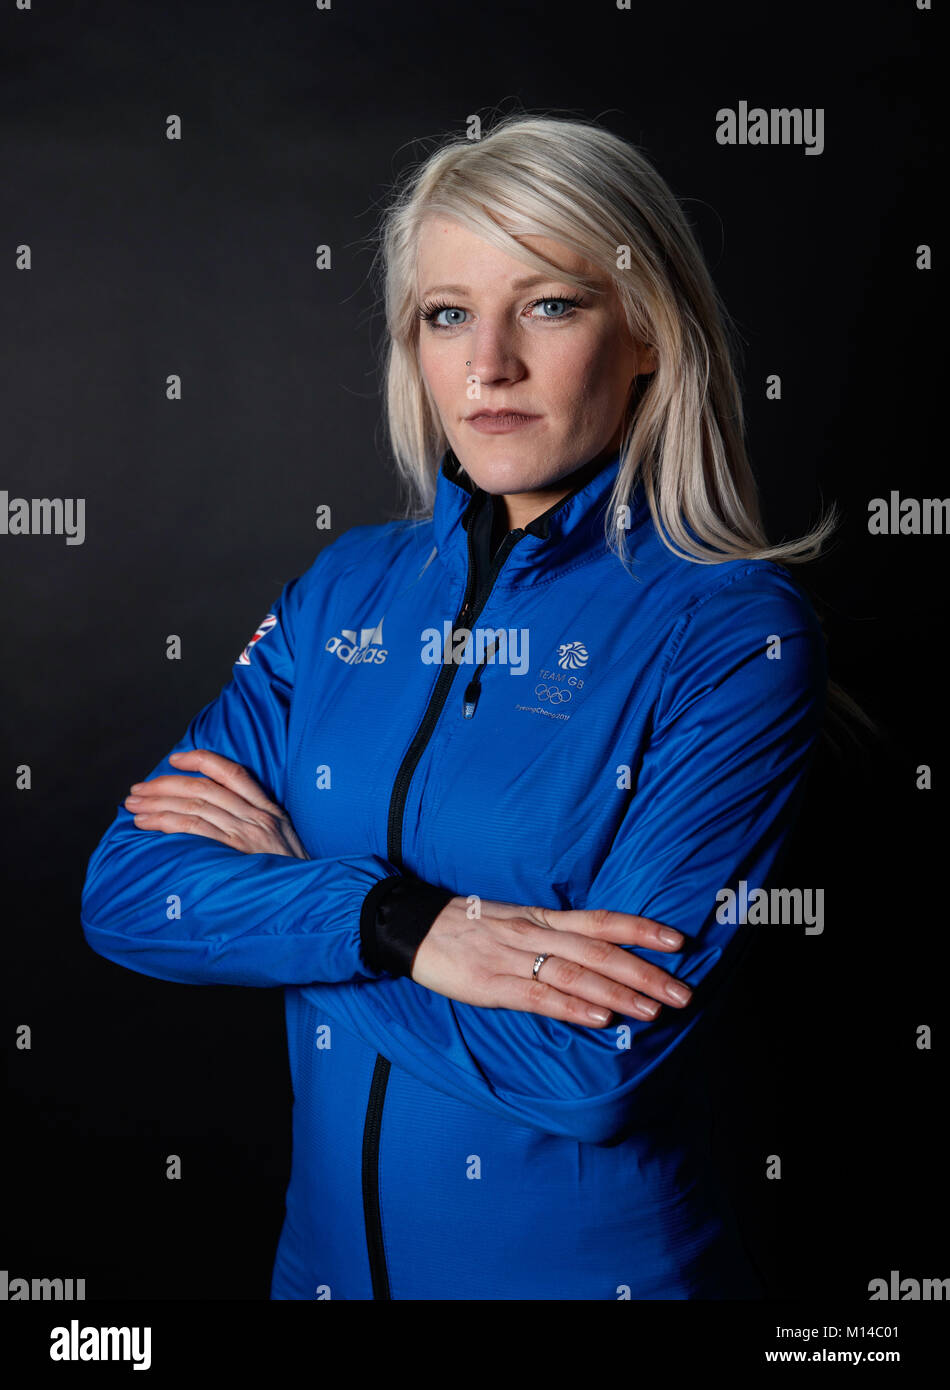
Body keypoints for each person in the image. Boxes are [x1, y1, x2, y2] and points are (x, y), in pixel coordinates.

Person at [81, 113, 838, 1299]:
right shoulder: (343, 589)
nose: (486, 363)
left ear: (644, 333)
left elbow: (594, 1069)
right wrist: (399, 924)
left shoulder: (730, 632)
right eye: (446, 313)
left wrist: (294, 917)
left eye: (547, 304)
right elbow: (127, 892)